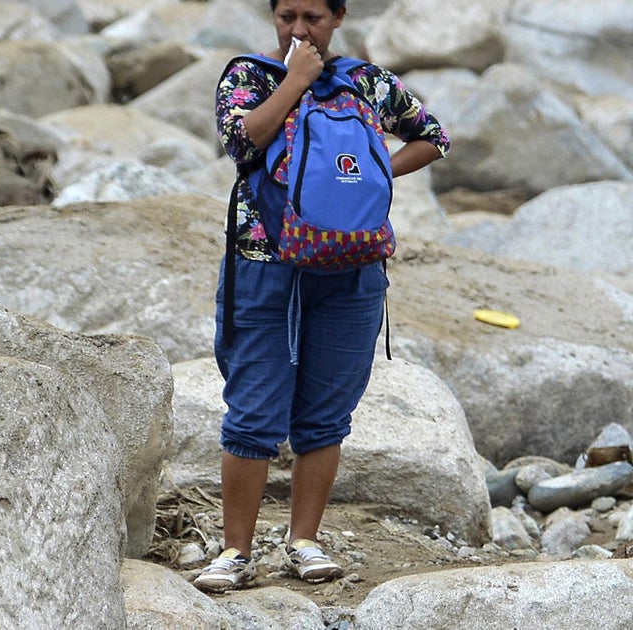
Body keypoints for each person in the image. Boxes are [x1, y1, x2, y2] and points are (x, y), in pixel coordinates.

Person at [194, 0, 450, 594]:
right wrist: (298, 80)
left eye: (312, 17)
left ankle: (303, 542)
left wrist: (369, 168)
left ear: (338, 18)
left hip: (353, 267)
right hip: (265, 268)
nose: (298, 29)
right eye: (287, 16)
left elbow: (434, 137)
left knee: (327, 415)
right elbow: (243, 140)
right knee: (253, 412)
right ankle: (236, 551)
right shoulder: (248, 77)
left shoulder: (369, 82)